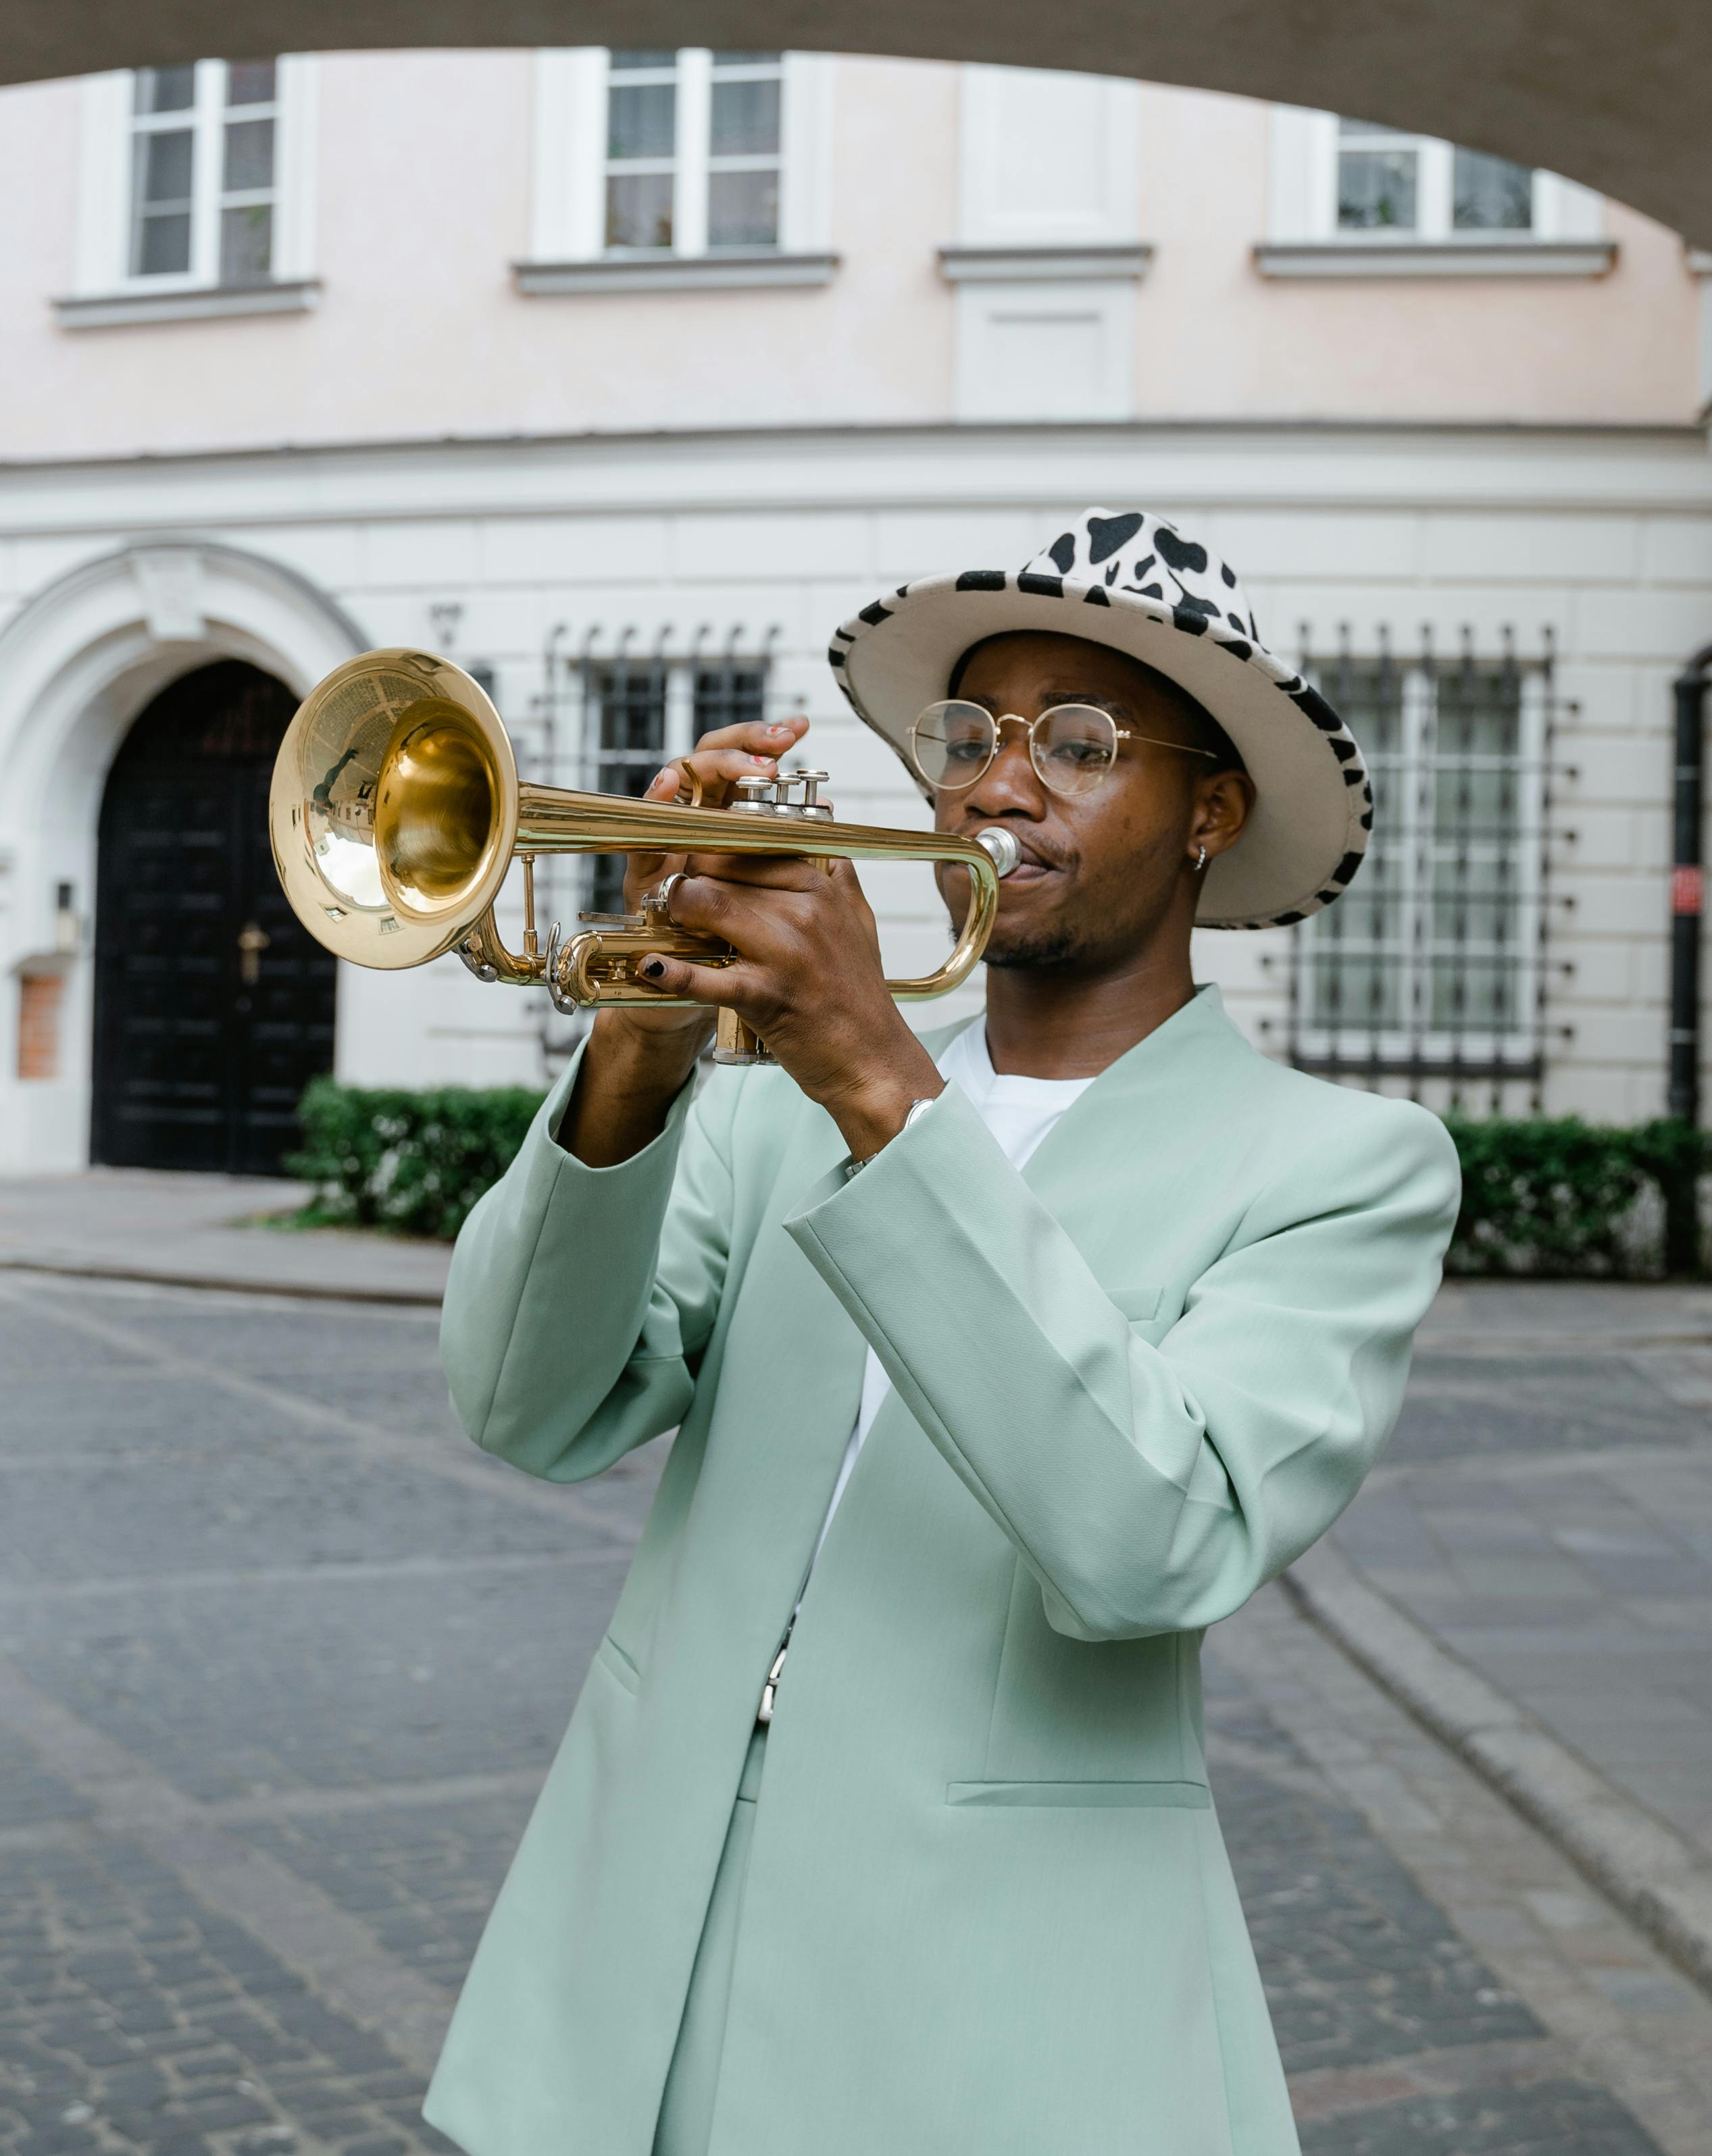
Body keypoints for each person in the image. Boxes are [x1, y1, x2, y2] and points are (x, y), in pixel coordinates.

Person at [423, 507, 1460, 2156]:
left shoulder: (1337, 1167)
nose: (995, 782)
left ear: (1212, 807)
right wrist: (633, 1049)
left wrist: (882, 1088)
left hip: (1001, 2012)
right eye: (967, 734)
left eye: (1077, 741)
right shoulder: (766, 1109)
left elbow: (1154, 1543)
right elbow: (524, 1405)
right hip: (638, 1960)